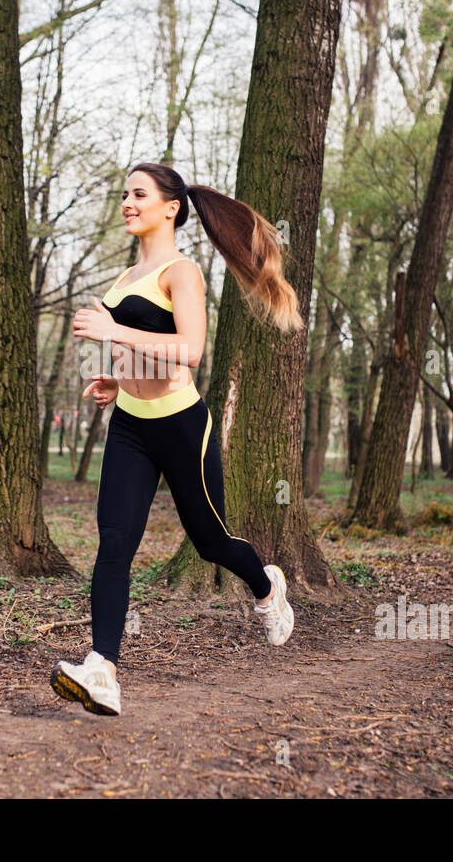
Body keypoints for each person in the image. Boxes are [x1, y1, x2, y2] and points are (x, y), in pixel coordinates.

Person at [52, 162, 303, 716]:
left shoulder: (181, 272)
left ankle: (267, 587)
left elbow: (189, 351)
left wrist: (112, 331)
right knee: (114, 543)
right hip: (130, 426)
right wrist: (114, 379)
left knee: (211, 539)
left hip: (180, 424)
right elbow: (140, 347)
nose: (127, 202)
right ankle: (102, 670)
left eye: (138, 194)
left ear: (171, 207)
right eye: (123, 194)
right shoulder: (123, 279)